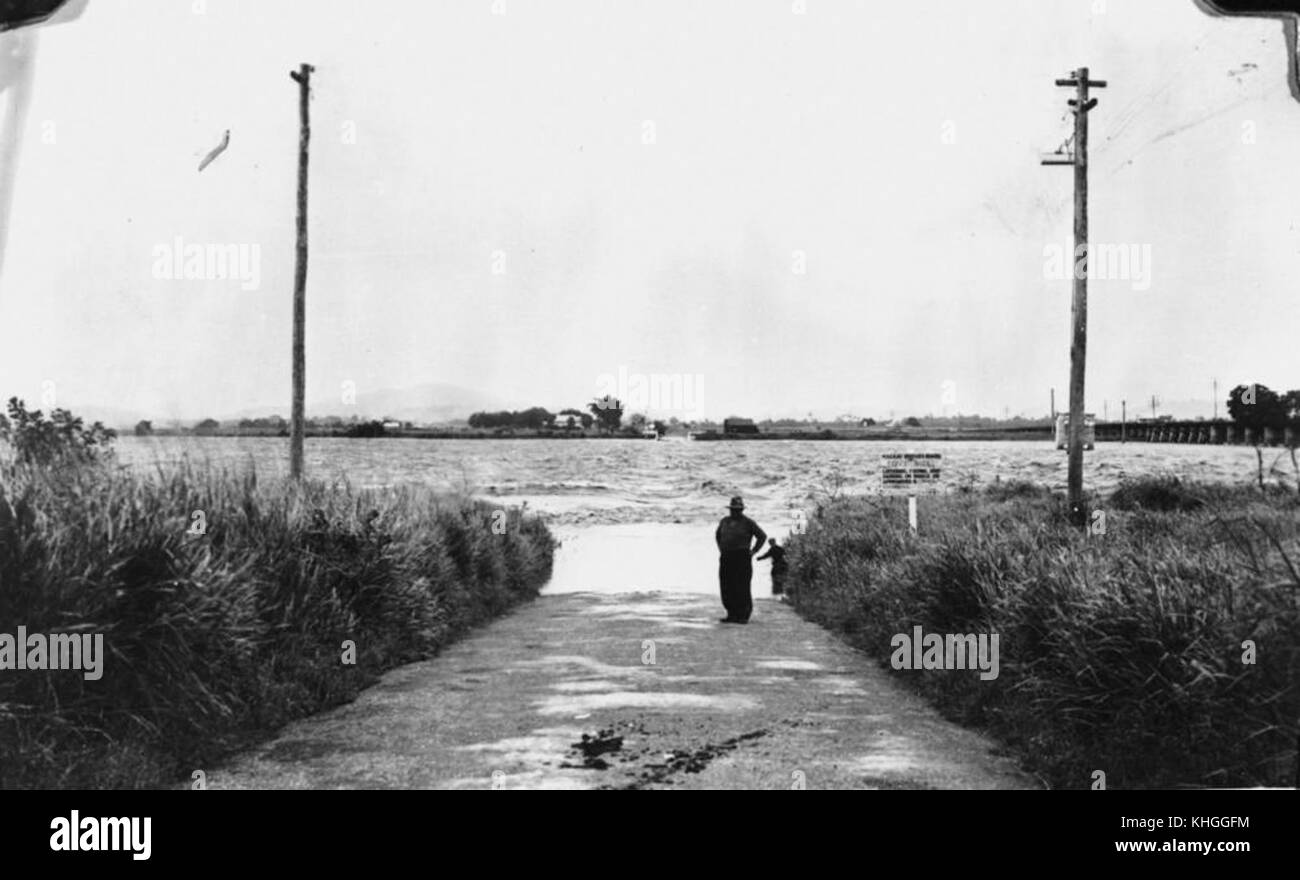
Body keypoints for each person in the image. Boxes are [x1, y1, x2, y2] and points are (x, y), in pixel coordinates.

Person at [714, 496, 766, 623]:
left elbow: (762, 536)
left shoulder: (748, 522)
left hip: (742, 557)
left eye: (738, 510)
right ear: (730, 509)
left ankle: (743, 615)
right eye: (733, 509)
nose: (735, 512)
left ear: (742, 510)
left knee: (742, 586)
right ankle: (731, 614)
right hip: (726, 556)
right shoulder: (724, 521)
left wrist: (753, 551)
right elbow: (718, 535)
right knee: (726, 585)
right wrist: (721, 548)